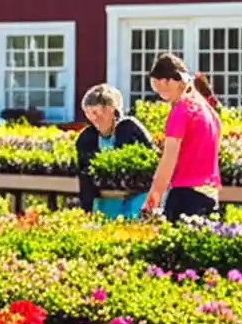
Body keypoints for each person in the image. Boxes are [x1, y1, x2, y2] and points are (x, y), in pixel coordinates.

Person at [142, 53, 221, 223]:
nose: (158, 93)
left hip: (185, 194)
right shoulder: (208, 111)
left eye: (157, 86)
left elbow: (169, 158)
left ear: (170, 81)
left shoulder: (180, 111)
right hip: (210, 193)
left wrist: (155, 194)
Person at [75, 84, 154, 219]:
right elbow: (85, 176)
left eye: (96, 112)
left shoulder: (130, 127)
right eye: (88, 113)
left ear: (111, 109)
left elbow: (151, 158)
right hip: (104, 198)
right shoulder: (86, 138)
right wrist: (86, 210)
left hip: (136, 195)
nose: (93, 118)